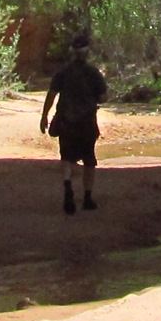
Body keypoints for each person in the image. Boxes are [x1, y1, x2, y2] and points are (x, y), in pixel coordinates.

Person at [41, 32, 108, 214]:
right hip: (87, 122)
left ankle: (68, 184)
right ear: (87, 52)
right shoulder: (93, 73)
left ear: (72, 51)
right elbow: (103, 97)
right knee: (89, 160)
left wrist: (44, 116)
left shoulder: (63, 72)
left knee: (67, 157)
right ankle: (87, 198)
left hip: (66, 121)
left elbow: (51, 95)